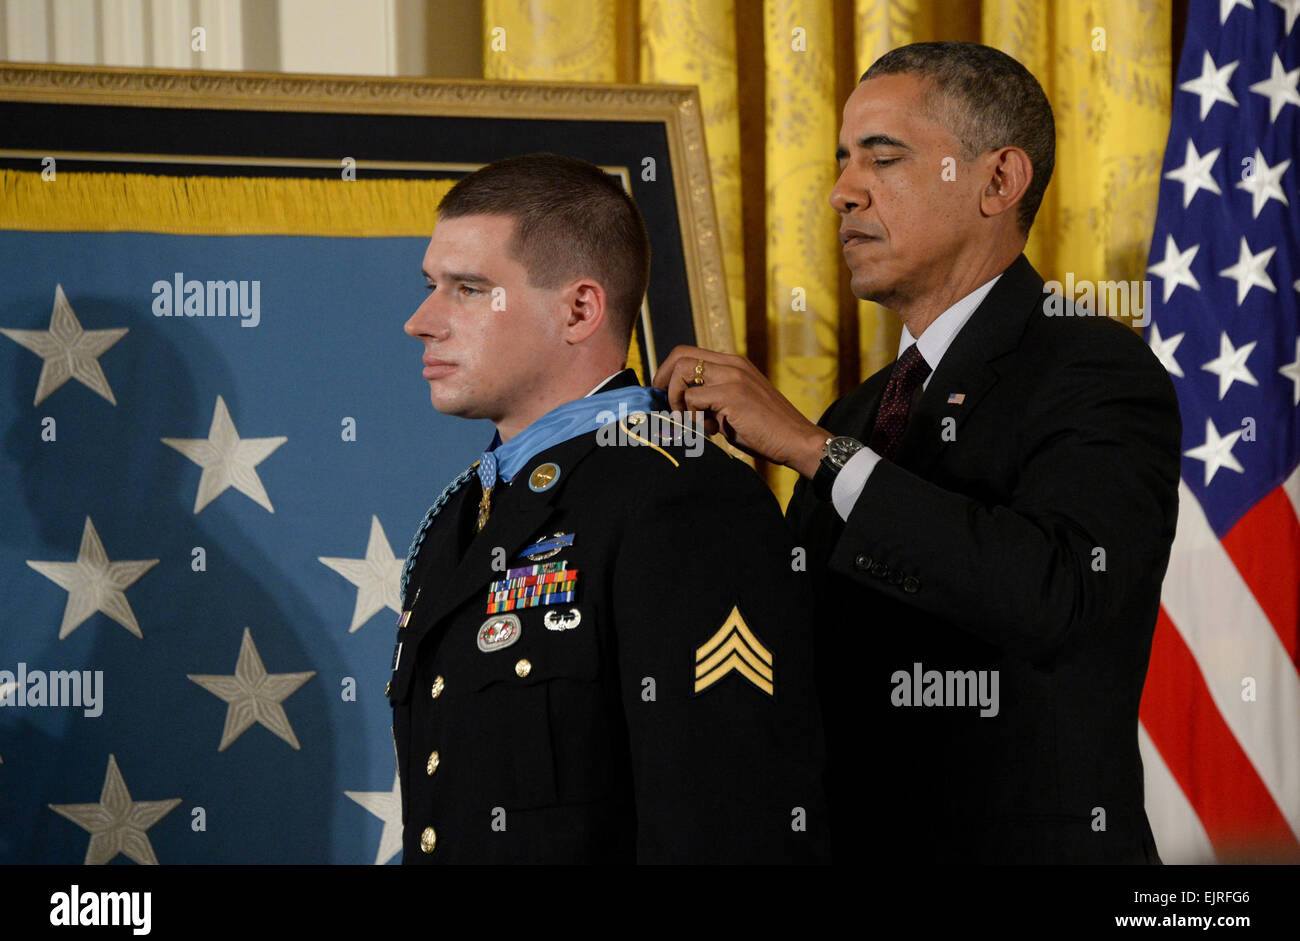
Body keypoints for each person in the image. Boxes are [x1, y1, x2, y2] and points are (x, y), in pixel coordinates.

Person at [654, 42, 1181, 864]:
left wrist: (808, 447)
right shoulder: (859, 412)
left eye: (883, 158)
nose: (841, 192)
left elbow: (1057, 594)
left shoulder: (1094, 369)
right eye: (840, 160)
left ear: (998, 182)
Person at [390, 153, 829, 864]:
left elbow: (727, 824)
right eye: (431, 286)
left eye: (468, 289)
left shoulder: (679, 498)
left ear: (579, 309)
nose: (420, 320)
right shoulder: (462, 512)